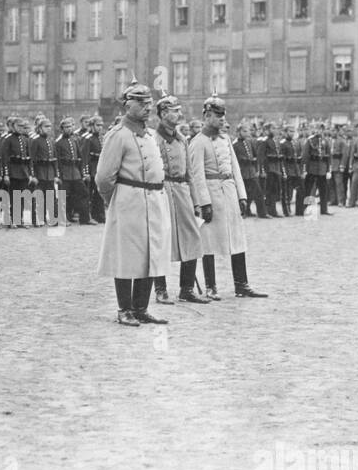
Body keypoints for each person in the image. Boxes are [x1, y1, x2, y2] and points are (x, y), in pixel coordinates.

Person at [94, 82, 170, 325]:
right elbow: (104, 177)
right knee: (126, 256)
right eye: (141, 102)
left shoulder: (149, 135)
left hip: (153, 201)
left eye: (149, 103)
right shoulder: (119, 135)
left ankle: (141, 307)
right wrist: (114, 201)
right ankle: (124, 309)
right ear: (128, 105)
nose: (148, 107)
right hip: (129, 201)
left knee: (150, 253)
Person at [189, 96, 265, 299]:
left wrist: (242, 195)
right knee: (209, 242)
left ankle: (242, 284)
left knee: (237, 239)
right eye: (217, 115)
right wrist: (204, 202)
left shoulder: (225, 140)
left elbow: (235, 168)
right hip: (212, 194)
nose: (222, 119)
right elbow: (197, 175)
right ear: (206, 116)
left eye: (223, 115)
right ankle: (211, 287)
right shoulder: (198, 142)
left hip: (230, 192)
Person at [152, 96, 208, 304]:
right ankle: (160, 289)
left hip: (182, 191)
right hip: (162, 191)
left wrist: (196, 202)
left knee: (192, 237)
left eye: (179, 110)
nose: (179, 114)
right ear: (163, 113)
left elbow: (190, 174)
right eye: (174, 110)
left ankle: (187, 289)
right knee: (162, 238)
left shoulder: (182, 140)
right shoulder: (153, 139)